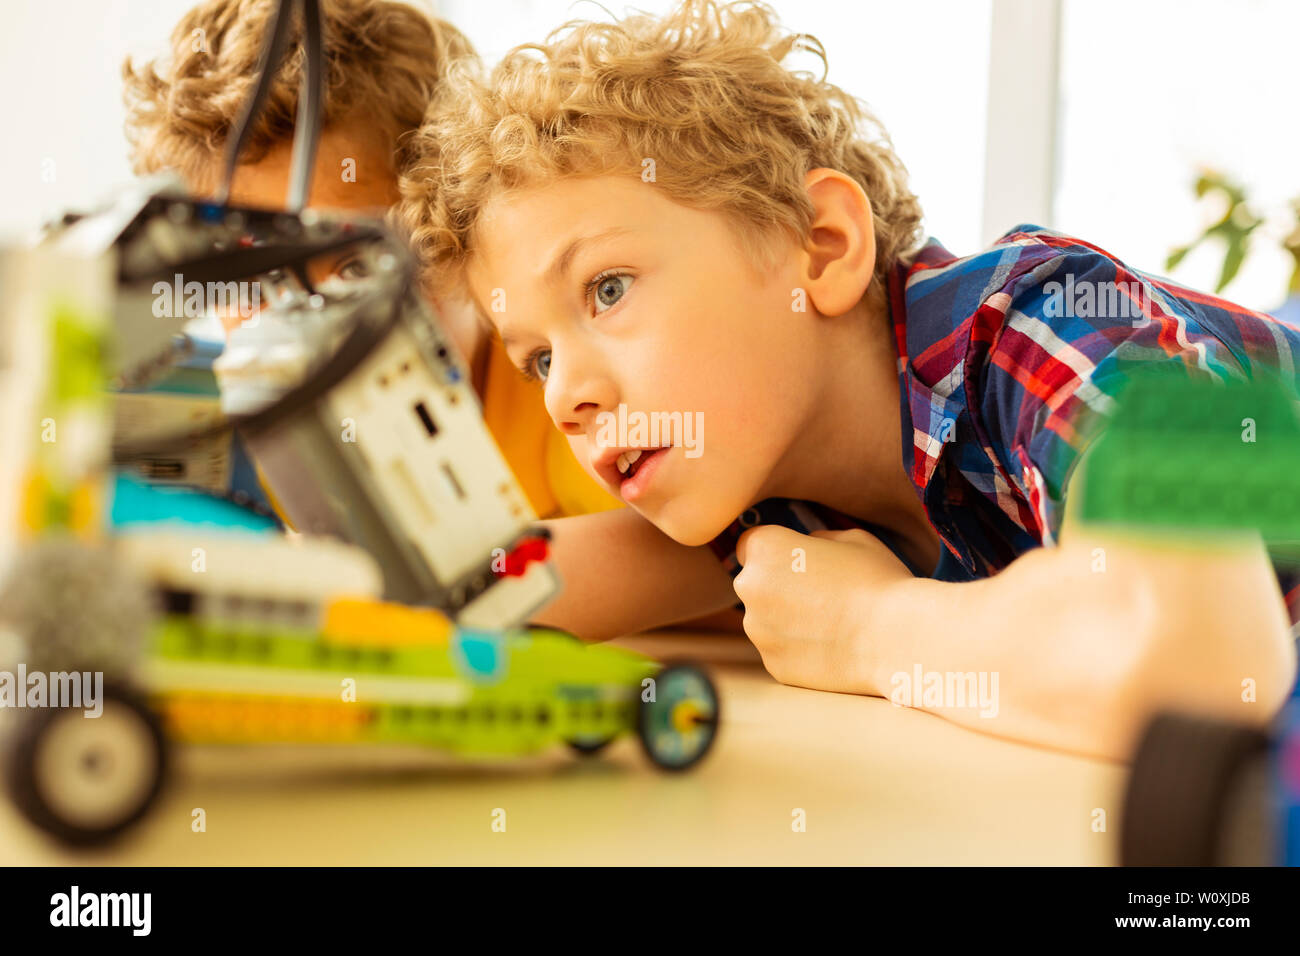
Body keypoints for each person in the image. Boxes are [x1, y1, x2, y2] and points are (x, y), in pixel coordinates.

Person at [396, 0, 1300, 758]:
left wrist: (870, 628)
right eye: (538, 359)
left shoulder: (1045, 323)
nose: (563, 398)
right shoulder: (767, 480)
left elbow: (1206, 664)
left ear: (822, 245)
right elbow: (483, 591)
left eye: (607, 288)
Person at [122, 0, 622, 519]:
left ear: (459, 228)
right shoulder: (252, 446)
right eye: (259, 282)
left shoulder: (573, 408)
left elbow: (695, 560)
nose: (314, 330)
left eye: (357, 267)